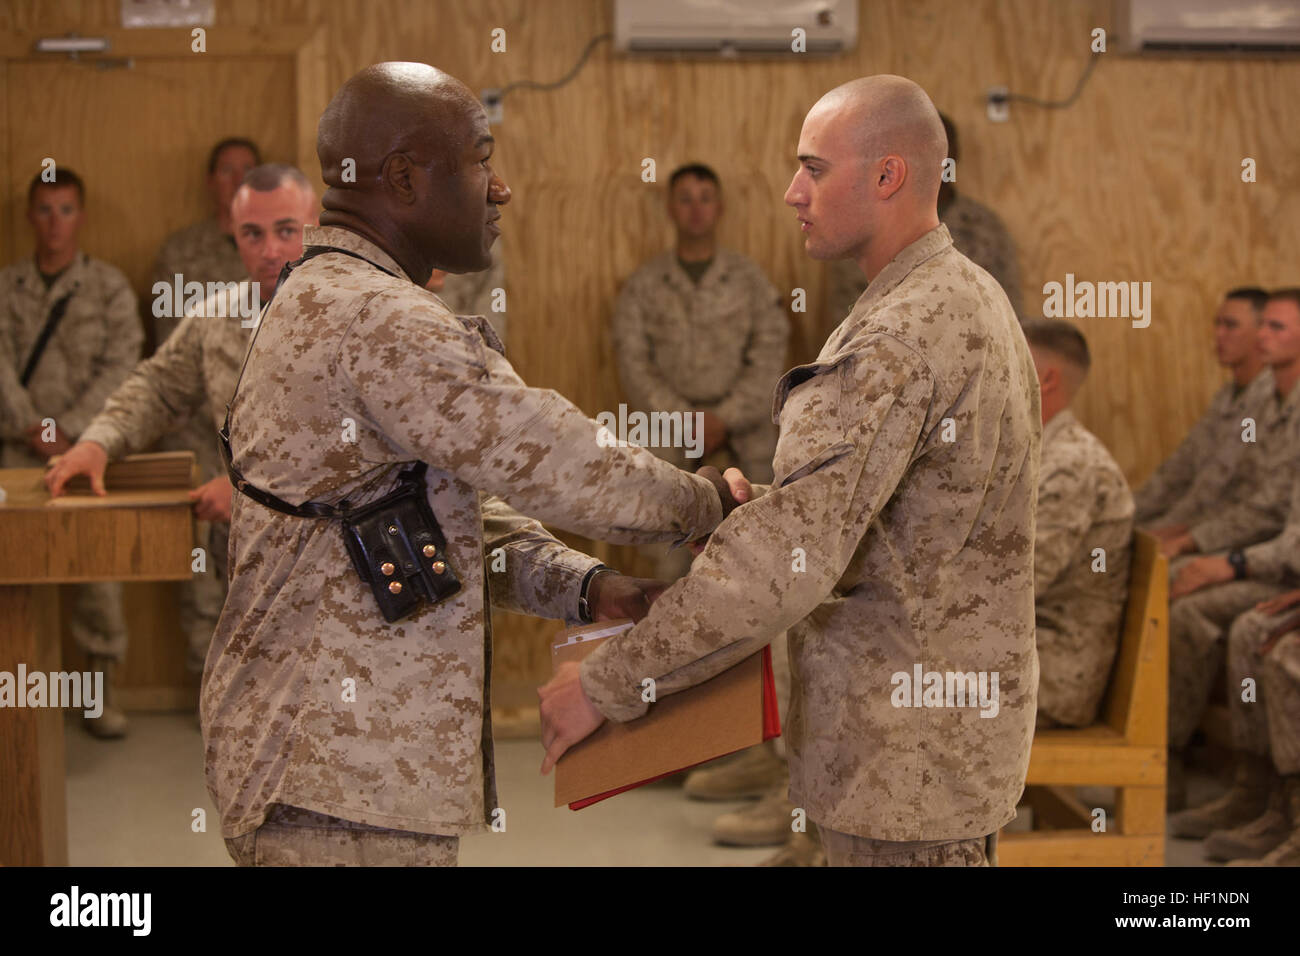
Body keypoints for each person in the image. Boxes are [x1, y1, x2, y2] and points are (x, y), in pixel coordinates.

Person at [206, 62, 741, 867]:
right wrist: (710, 505)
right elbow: (561, 461)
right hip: (336, 785)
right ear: (404, 179)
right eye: (481, 160)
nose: (501, 189)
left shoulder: (331, 294)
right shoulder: (380, 317)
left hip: (333, 769)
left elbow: (433, 520)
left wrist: (590, 588)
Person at [540, 74, 1041, 868]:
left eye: (814, 169)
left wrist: (604, 685)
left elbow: (781, 566)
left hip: (899, 761)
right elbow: (906, 513)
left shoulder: (897, 334)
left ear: (887, 175)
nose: (791, 192)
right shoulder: (962, 294)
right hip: (931, 745)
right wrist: (777, 505)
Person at [43, 164, 320, 679]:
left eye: (286, 230)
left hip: (335, 569)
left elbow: (365, 447)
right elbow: (158, 387)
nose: (269, 250)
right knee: (241, 696)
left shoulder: (356, 315)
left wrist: (250, 495)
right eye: (251, 234)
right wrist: (97, 443)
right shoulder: (218, 317)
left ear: (314, 224)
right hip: (246, 564)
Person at [0, 168, 142, 737]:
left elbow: (124, 365)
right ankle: (15, 696)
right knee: (10, 575)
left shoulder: (107, 287)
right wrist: (33, 425)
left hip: (85, 450)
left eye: (65, 210)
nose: (54, 223)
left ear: (80, 216)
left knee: (96, 572)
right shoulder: (7, 286)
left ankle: (97, 696)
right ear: (29, 216)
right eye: (44, 210)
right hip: (16, 450)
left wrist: (72, 430)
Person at [1161, 288, 1300, 808]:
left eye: (1276, 327)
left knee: (1197, 610)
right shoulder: (1263, 400)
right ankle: (1247, 787)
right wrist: (1162, 530)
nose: (1262, 336)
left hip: (1272, 560)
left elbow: (1270, 512)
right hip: (1270, 554)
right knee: (1165, 575)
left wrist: (1224, 558)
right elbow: (1207, 483)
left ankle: (1175, 753)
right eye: (1262, 325)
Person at [1022, 319, 1133, 728]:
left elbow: (1019, 585)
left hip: (1053, 674)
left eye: (1006, 358)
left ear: (1046, 379)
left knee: (888, 689)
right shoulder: (1036, 452)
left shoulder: (1071, 466)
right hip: (1018, 654)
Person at [826, 113, 1023, 323]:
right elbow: (849, 318)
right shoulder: (869, 229)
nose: (937, 158)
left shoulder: (983, 228)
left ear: (956, 153)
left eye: (944, 147)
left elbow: (1007, 314)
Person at [1137, 288, 1271, 531]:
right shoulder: (1227, 396)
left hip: (1238, 530)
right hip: (1200, 522)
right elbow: (1180, 469)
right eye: (1217, 324)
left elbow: (1225, 485)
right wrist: (1130, 515)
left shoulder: (1271, 399)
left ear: (1261, 333)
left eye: (1231, 325)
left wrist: (1173, 530)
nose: (1218, 334)